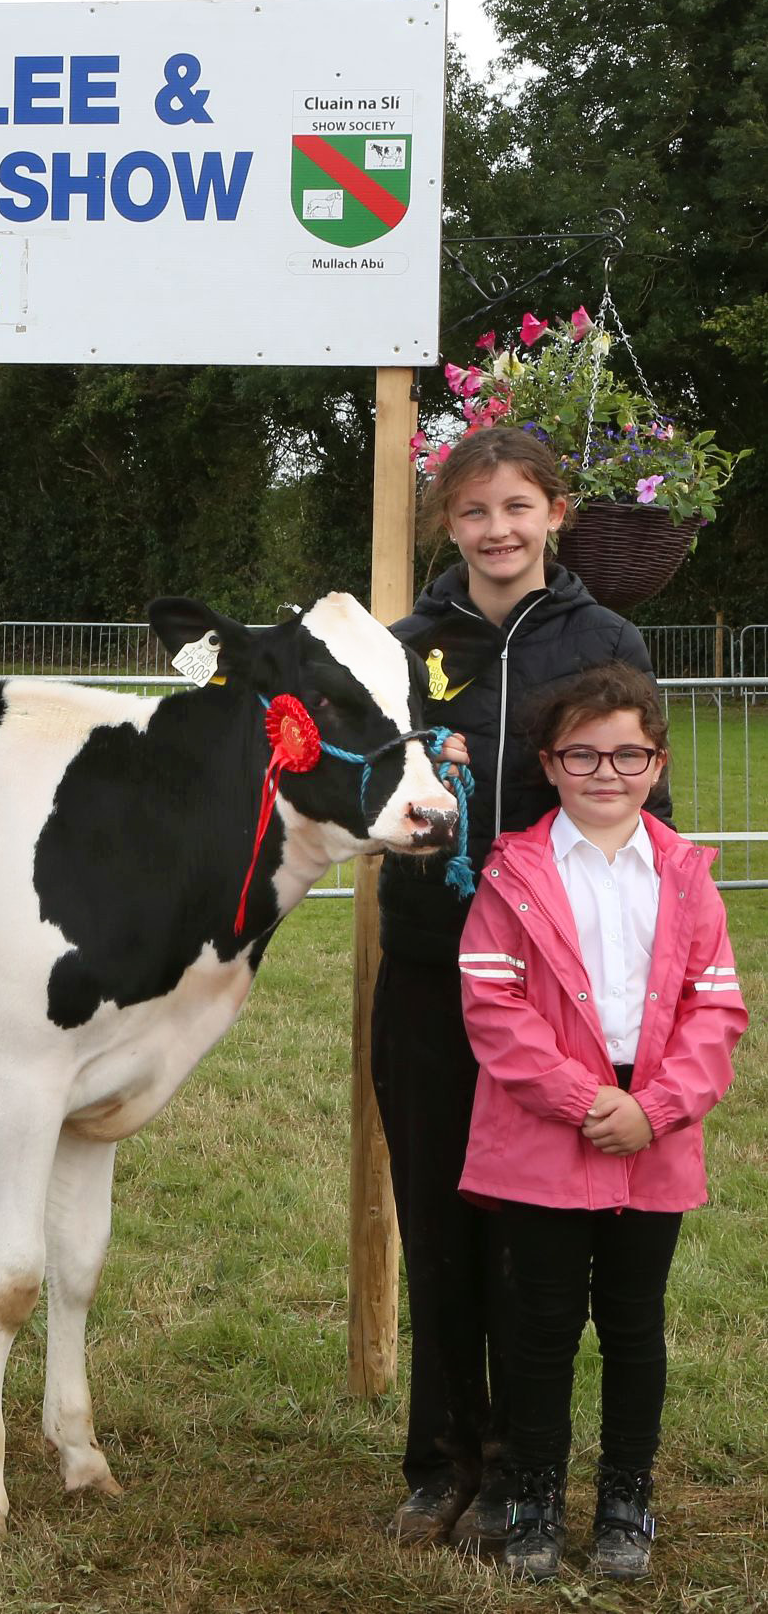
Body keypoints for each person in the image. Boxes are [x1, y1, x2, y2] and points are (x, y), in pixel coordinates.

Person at [372, 424, 670, 1551]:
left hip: (561, 987)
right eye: (470, 512)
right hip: (428, 965)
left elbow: (644, 799)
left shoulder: (604, 637)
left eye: (514, 507)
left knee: (528, 1229)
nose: (494, 530)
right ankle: (439, 1457)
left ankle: (519, 1470)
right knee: (435, 1213)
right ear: (445, 525)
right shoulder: (405, 647)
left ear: (555, 512)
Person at [457, 663, 746, 1581]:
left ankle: (626, 1497)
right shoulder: (511, 875)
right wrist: (586, 1103)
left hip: (651, 1129)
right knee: (537, 1328)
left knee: (632, 1325)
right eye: (582, 752)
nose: (605, 770)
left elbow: (716, 1010)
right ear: (548, 763)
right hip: (548, 1128)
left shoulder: (686, 875)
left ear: (656, 762)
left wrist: (652, 1109)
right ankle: (533, 1496)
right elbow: (493, 1011)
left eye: (627, 753)